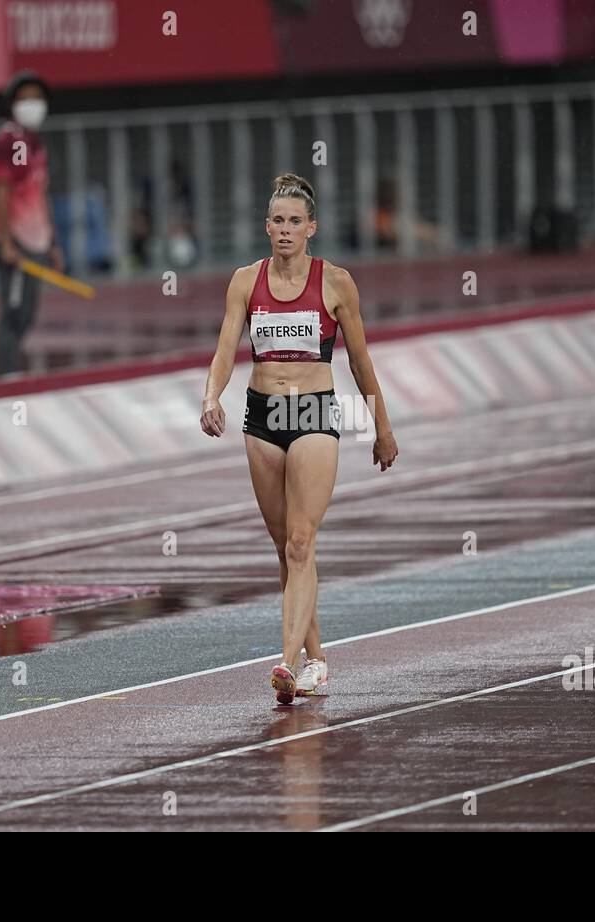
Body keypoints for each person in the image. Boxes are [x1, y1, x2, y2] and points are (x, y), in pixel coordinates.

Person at [200, 173, 399, 705]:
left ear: (312, 228)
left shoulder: (335, 283)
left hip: (313, 412)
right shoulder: (246, 281)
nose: (286, 230)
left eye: (295, 222)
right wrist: (210, 396)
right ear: (267, 227)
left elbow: (359, 361)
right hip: (261, 415)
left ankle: (286, 664)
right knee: (284, 548)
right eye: (278, 222)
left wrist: (381, 425)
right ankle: (316, 659)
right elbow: (224, 349)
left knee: (301, 542)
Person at [0, 70, 64, 376]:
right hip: (15, 243)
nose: (32, 104)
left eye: (37, 97)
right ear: (11, 104)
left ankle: (9, 370)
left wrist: (51, 242)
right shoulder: (7, 141)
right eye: (25, 98)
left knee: (27, 312)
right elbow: (0, 189)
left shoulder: (36, 143)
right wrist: (7, 243)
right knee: (13, 311)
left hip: (35, 240)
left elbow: (40, 195)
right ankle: (5, 376)